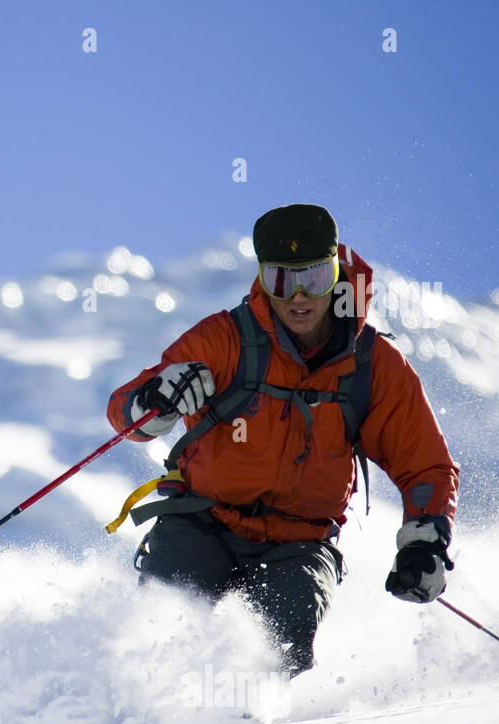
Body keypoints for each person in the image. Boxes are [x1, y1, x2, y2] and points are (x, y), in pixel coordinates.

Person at [105, 204, 459, 676]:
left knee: (279, 643)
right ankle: (133, 722)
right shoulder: (224, 339)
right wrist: (158, 394)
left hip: (300, 543)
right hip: (201, 522)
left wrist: (424, 541)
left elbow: (425, 464)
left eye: (313, 277)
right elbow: (128, 410)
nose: (297, 296)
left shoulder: (374, 366)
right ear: (260, 277)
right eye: (279, 279)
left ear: (335, 271)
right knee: (159, 631)